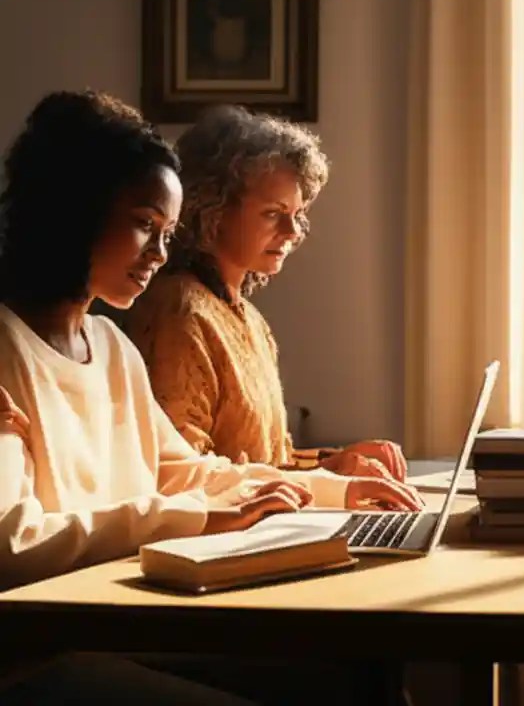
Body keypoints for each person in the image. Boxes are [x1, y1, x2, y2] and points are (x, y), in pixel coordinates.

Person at [0, 90, 421, 592]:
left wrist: (336, 490)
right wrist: (197, 519)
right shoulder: (10, 350)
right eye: (144, 225)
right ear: (75, 211)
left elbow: (187, 473)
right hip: (57, 639)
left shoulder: (111, 346)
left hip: (124, 616)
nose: (159, 253)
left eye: (167, 232)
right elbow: (14, 544)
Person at [124, 105, 407, 482]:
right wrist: (329, 480)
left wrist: (336, 463)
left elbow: (271, 460)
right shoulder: (179, 313)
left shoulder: (248, 319)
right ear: (212, 210)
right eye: (274, 213)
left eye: (297, 212)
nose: (293, 230)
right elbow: (184, 473)